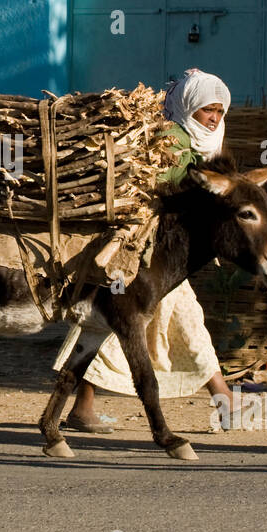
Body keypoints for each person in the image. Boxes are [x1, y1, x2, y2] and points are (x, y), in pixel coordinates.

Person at [62, 68, 242, 434]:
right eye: (208, 110)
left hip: (167, 255)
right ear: (189, 106)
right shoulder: (172, 137)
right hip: (145, 251)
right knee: (121, 325)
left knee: (181, 320)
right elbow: (165, 184)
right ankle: (82, 405)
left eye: (219, 112)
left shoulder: (204, 143)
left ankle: (223, 397)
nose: (214, 118)